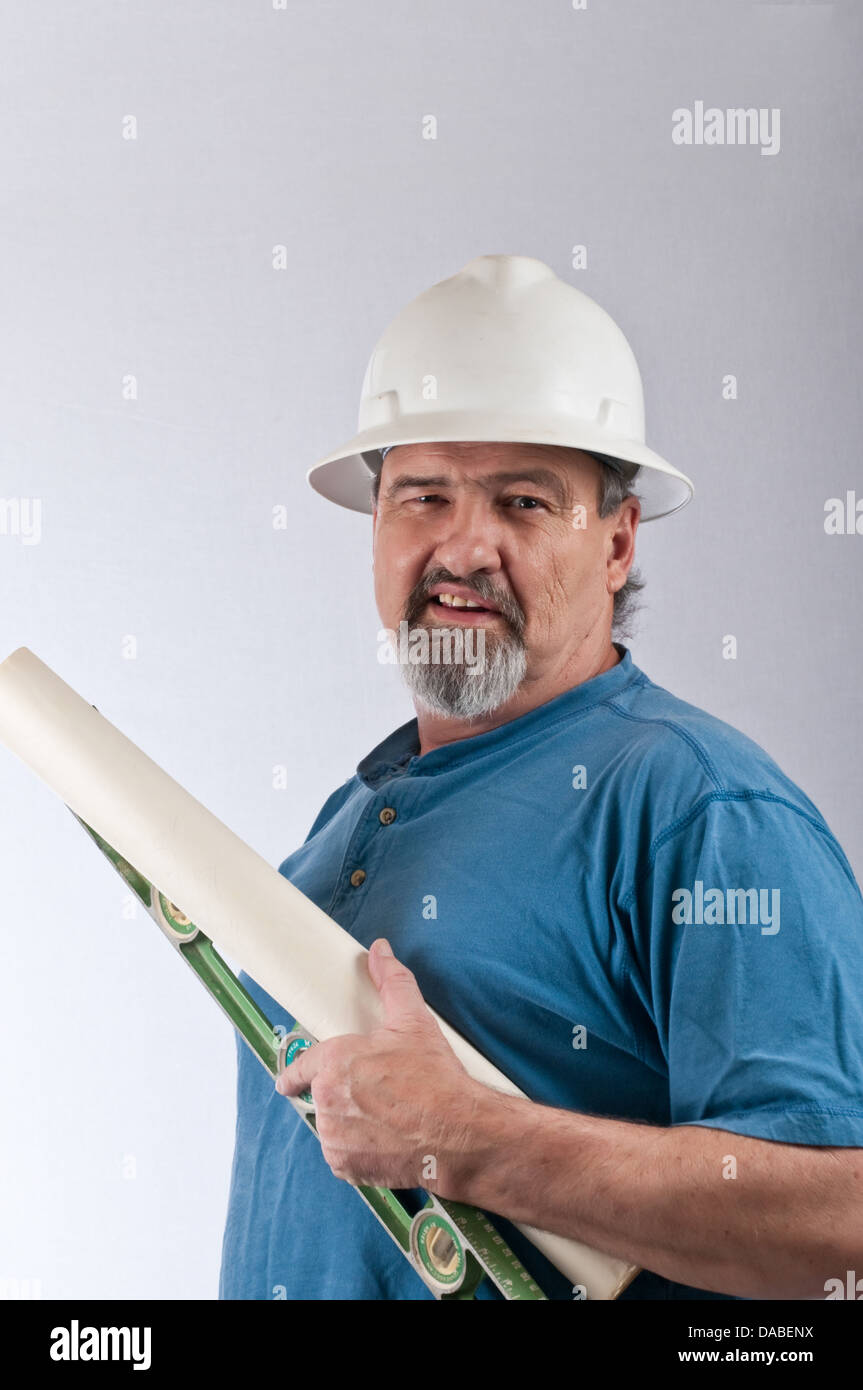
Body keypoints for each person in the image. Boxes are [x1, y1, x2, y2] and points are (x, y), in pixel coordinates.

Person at [219, 257, 863, 1300]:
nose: (461, 545)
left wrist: (469, 1141)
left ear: (614, 542)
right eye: (422, 496)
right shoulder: (345, 826)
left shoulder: (698, 810)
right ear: (376, 524)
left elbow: (843, 1227)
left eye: (522, 501)